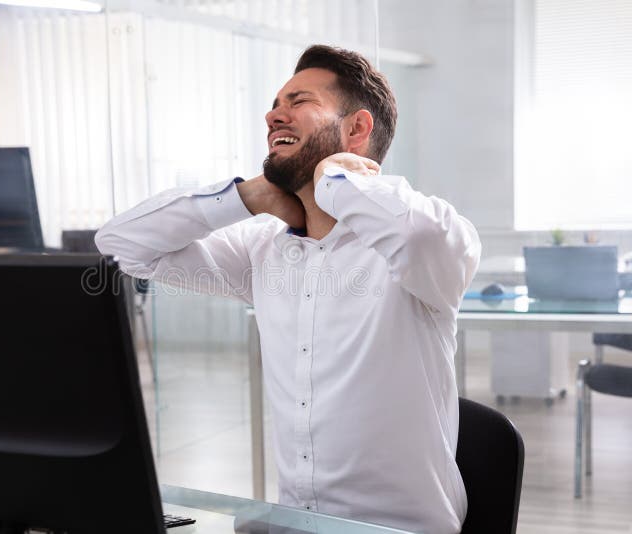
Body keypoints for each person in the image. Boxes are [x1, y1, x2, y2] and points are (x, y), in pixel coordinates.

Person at [96, 44, 480, 534]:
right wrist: (244, 196)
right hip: (292, 525)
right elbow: (120, 245)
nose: (274, 114)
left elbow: (418, 235)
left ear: (357, 129)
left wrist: (333, 177)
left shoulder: (428, 243)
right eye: (277, 103)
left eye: (299, 101)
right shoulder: (264, 250)